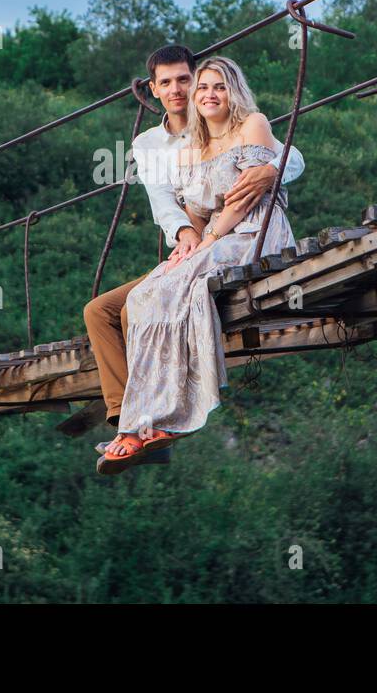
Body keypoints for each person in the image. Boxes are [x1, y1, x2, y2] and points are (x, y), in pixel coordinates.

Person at [82, 46, 304, 469]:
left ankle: (151, 426)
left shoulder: (243, 123)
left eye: (188, 80)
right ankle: (131, 423)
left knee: (142, 303)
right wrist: (188, 237)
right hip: (197, 238)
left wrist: (271, 170)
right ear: (154, 90)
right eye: (169, 83)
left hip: (242, 236)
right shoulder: (155, 145)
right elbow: (168, 203)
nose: (181, 90)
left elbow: (290, 154)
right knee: (105, 310)